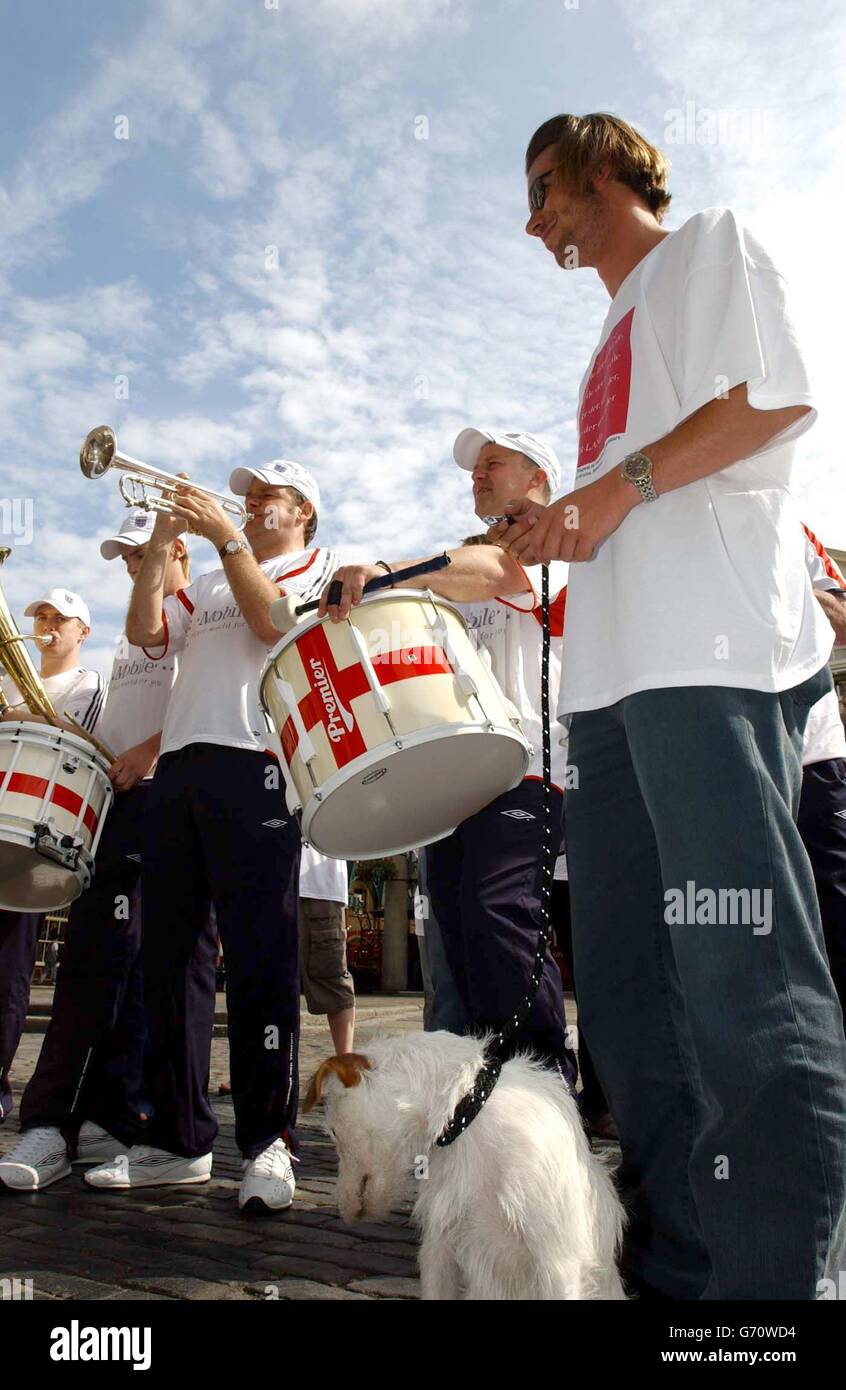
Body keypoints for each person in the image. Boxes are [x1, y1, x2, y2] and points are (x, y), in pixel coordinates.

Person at [493, 110, 846, 1299]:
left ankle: (778, 1292)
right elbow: (618, 492)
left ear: (607, 166)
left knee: (746, 985)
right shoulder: (603, 337)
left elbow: (773, 400)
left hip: (710, 654)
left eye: (546, 187)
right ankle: (685, 1279)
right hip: (606, 689)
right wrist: (569, 520)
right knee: (634, 1008)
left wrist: (616, 489)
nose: (533, 218)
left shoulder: (712, 247)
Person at [85, 460, 337, 1214]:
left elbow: (275, 624)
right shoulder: (214, 579)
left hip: (254, 762)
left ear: (304, 514)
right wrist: (161, 545)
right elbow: (146, 631)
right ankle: (177, 1137)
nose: (252, 503)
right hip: (181, 768)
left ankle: (269, 1143)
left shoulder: (310, 565)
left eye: (269, 497)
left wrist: (227, 534)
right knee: (170, 959)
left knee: (262, 958)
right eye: (247, 494)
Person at [320, 428, 574, 1080]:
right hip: (450, 781)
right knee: (456, 951)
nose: (477, 475)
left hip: (524, 773)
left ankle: (544, 1086)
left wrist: (387, 573)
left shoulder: (549, 551)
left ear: (537, 477)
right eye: (474, 468)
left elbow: (497, 572)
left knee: (497, 921)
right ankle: (473, 1097)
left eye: (493, 464)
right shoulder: (461, 571)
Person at [0, 512, 217, 1190]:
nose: (131, 565)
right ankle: (95, 1114)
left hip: (166, 798)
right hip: (118, 808)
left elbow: (205, 706)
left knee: (132, 965)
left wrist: (147, 754)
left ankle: (67, 1119)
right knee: (104, 961)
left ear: (177, 549)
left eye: (142, 553)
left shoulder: (203, 620)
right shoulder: (133, 638)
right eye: (125, 556)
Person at [0, 588, 105, 1123]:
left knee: (9, 967)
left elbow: (78, 738)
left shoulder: (87, 683)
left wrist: (22, 713)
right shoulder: (6, 682)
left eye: (57, 618)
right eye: (39, 615)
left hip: (32, 830)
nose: (45, 624)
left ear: (81, 631)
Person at [798, 524, 846, 1022]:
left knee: (832, 898)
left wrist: (786, 583)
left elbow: (843, 620)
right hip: (720, 755)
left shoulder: (795, 528)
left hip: (813, 753)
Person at [298, 846, 355, 1055]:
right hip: (268, 881)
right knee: (262, 977)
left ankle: (345, 1063)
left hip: (320, 885)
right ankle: (252, 1070)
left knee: (332, 974)